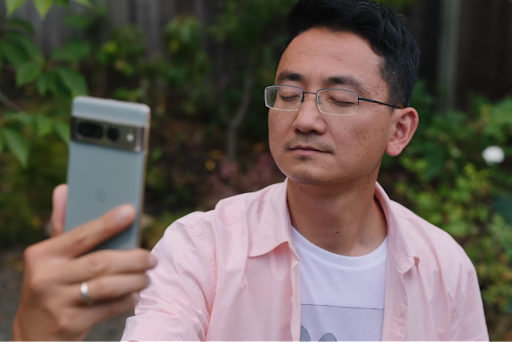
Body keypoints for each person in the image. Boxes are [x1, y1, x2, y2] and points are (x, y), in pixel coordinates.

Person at [14, 0, 489, 341]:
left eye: (340, 100)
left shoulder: (443, 269)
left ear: (399, 130)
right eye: (288, 94)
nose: (304, 118)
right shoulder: (202, 250)